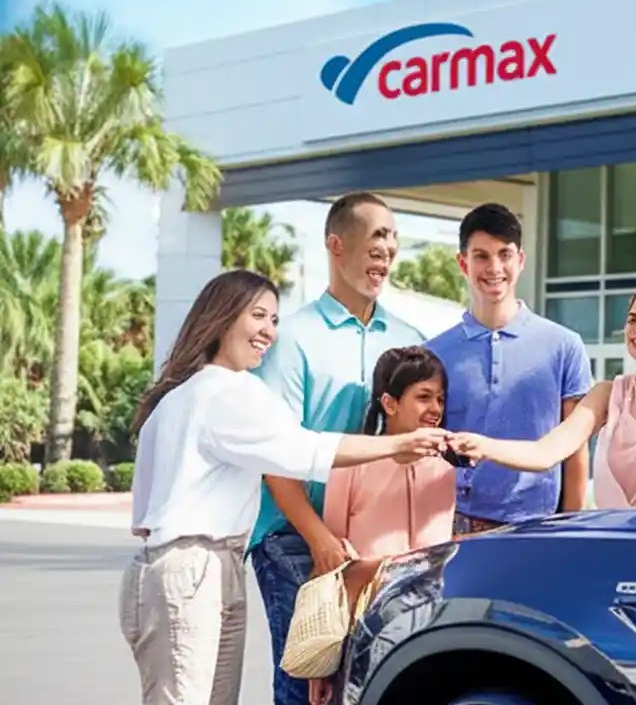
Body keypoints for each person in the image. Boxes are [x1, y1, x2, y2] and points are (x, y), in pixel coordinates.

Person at [118, 270, 444, 705]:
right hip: (189, 568)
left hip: (203, 566)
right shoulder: (222, 392)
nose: (269, 331)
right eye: (258, 316)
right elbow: (302, 449)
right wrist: (396, 444)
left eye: (274, 319)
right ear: (223, 318)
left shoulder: (182, 394)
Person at [247, 192, 424, 705]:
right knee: (305, 687)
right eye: (376, 239)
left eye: (392, 243)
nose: (386, 253)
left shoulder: (408, 337)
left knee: (369, 685)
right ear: (335, 244)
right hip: (297, 541)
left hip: (375, 543)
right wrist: (319, 538)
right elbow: (274, 455)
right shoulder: (292, 339)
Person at [448, 283, 636, 507]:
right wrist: (483, 446)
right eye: (633, 319)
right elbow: (546, 452)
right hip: (609, 552)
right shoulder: (607, 395)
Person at [427, 202, 593, 535]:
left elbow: (576, 451)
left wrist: (570, 530)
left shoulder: (564, 345)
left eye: (505, 254)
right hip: (454, 526)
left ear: (521, 260)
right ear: (463, 263)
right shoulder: (433, 353)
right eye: (481, 256)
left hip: (539, 526)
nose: (494, 267)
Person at [307, 344, 460, 705]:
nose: (435, 409)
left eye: (440, 398)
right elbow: (331, 568)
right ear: (390, 403)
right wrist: (321, 660)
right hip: (364, 629)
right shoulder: (349, 465)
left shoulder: (444, 471)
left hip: (428, 630)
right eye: (423, 397)